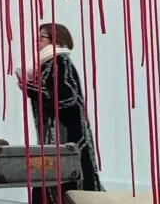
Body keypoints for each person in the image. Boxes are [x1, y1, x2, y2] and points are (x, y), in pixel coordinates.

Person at [19, 22, 102, 192]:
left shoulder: (59, 63)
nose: (37, 42)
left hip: (66, 135)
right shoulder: (49, 64)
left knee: (63, 178)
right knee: (51, 176)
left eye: (41, 38)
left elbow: (65, 98)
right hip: (56, 134)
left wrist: (30, 88)